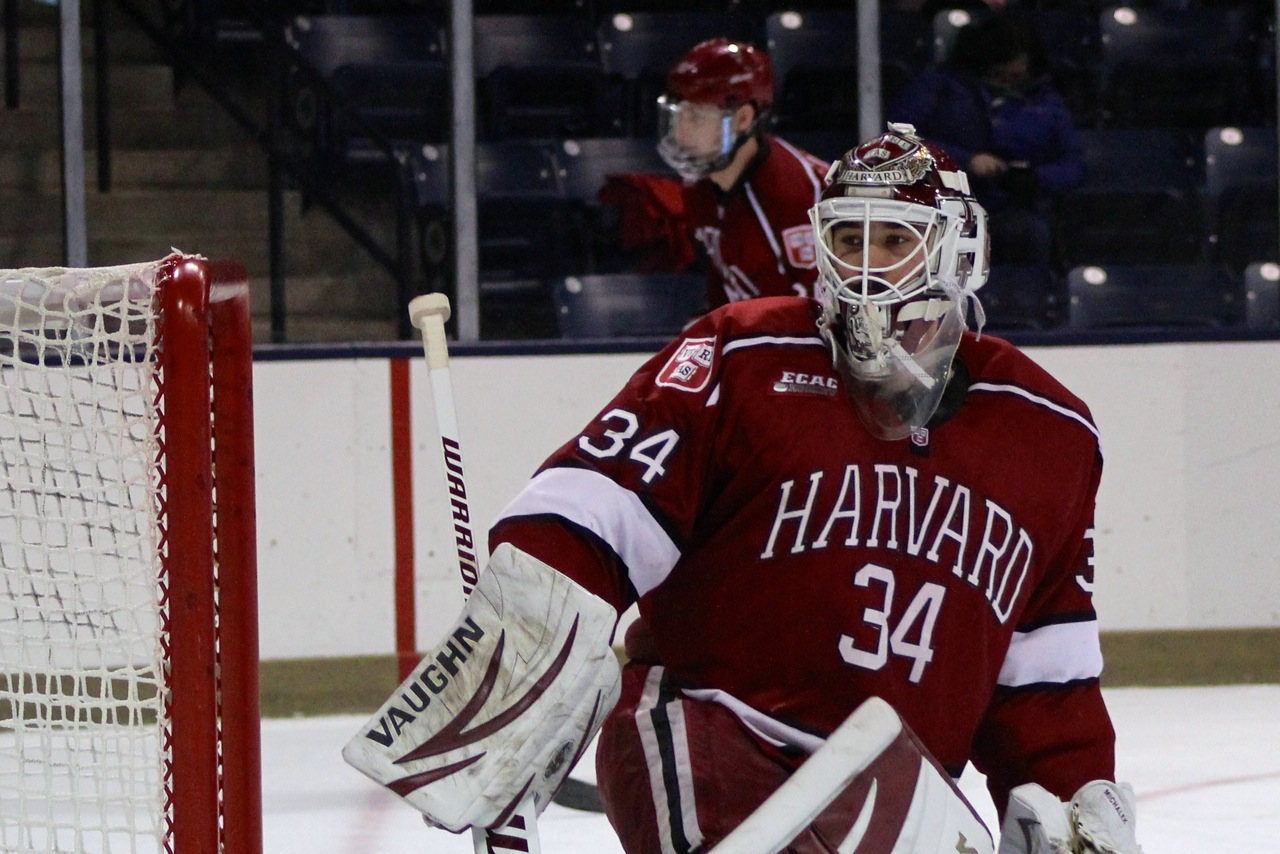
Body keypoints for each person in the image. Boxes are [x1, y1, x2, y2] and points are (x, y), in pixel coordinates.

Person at [346, 125, 1142, 853]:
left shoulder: (1052, 432)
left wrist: (1078, 796)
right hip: (716, 730)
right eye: (846, 239)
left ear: (958, 251)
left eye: (895, 239)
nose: (864, 267)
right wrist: (518, 669)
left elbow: (1044, 679)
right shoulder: (741, 353)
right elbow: (585, 511)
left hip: (896, 788)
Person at [602, 38, 832, 312]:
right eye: (678, 116)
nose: (681, 133)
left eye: (696, 117)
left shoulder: (799, 198)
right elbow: (725, 282)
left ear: (743, 119)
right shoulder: (701, 186)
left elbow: (816, 315)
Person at [888, 11, 1083, 266]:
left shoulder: (1046, 101)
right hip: (943, 204)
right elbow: (900, 139)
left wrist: (1035, 178)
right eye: (1001, 74)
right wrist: (966, 160)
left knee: (1029, 235)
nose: (1009, 82)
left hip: (1014, 210)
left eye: (1016, 76)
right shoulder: (940, 87)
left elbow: (1074, 164)